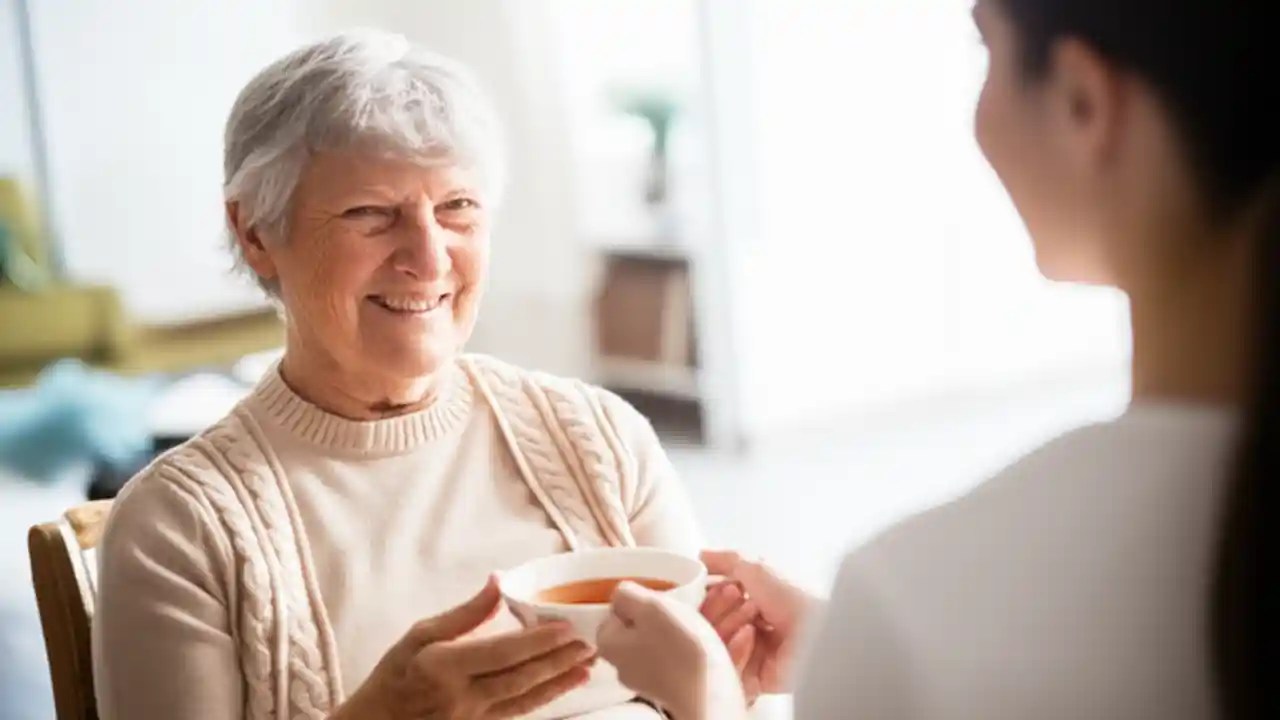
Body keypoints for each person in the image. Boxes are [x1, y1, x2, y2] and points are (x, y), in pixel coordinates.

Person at [598, 0, 1277, 717]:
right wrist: (845, 649)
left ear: (1084, 102)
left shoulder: (919, 602)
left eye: (984, 47)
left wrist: (709, 703)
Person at [91, 30, 708, 720]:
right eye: (371, 214)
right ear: (256, 233)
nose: (429, 257)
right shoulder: (182, 529)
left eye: (457, 208)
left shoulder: (600, 440)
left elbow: (717, 699)